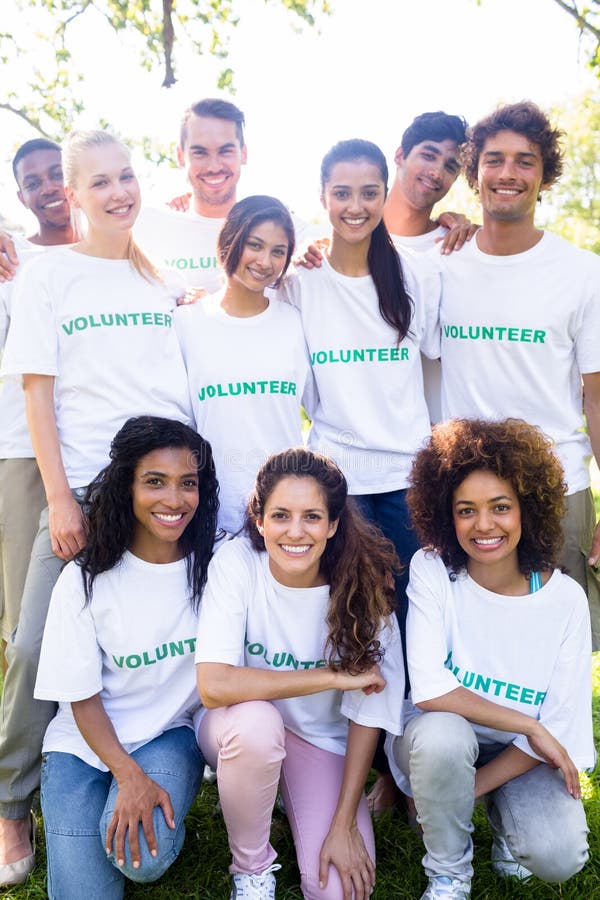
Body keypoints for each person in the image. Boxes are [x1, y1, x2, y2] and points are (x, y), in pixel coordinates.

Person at [0, 129, 191, 884]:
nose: (118, 192)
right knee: (33, 644)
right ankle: (11, 802)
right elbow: (37, 393)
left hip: (168, 489)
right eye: (100, 182)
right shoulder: (50, 276)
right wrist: (60, 499)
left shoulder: (159, 278)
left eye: (126, 176)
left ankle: (194, 760)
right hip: (87, 487)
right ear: (73, 195)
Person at [388, 418, 593, 900]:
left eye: (500, 507)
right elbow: (431, 689)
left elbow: (558, 727)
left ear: (527, 509)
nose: (484, 525)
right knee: (443, 736)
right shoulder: (432, 570)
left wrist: (465, 792)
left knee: (559, 856)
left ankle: (502, 821)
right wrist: (528, 724)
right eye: (466, 510)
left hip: (522, 753)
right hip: (437, 740)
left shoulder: (565, 600)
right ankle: (449, 874)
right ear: (447, 515)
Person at [195, 447, 405, 900]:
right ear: (259, 520)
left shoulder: (365, 583)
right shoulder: (236, 564)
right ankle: (252, 869)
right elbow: (213, 686)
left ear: (333, 524)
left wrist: (344, 822)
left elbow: (369, 713)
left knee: (340, 892)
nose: (295, 531)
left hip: (319, 742)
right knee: (257, 727)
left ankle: (292, 800)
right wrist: (331, 677)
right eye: (280, 515)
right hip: (239, 729)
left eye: (312, 517)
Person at [34, 415, 219, 900]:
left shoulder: (217, 567)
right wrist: (129, 776)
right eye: (154, 482)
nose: (174, 500)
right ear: (127, 487)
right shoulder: (86, 577)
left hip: (165, 734)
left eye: (188, 483)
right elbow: (82, 699)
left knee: (140, 858)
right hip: (81, 746)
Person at [438, 100, 600, 649]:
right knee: (472, 645)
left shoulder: (582, 273)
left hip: (558, 488)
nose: (508, 173)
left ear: (544, 176)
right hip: (464, 493)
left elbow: (596, 399)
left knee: (561, 648)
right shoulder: (440, 265)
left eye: (525, 161)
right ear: (474, 172)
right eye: (494, 159)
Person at [282, 138, 439, 662]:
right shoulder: (298, 282)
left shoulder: (417, 275)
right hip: (338, 479)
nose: (356, 206)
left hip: (406, 477)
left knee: (414, 616)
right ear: (322, 197)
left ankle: (416, 716)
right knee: (344, 616)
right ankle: (347, 717)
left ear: (385, 194)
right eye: (342, 193)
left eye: (369, 192)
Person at [175, 195, 314, 533]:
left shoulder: (296, 323)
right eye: (255, 245)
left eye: (278, 251)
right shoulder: (185, 323)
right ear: (230, 240)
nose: (265, 261)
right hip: (211, 517)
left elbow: (321, 412)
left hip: (285, 517)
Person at [0, 139, 77, 677]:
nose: (49, 188)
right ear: (21, 197)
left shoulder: (113, 251)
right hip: (25, 449)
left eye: (57, 173)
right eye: (34, 182)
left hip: (96, 447)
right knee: (26, 620)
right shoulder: (13, 263)